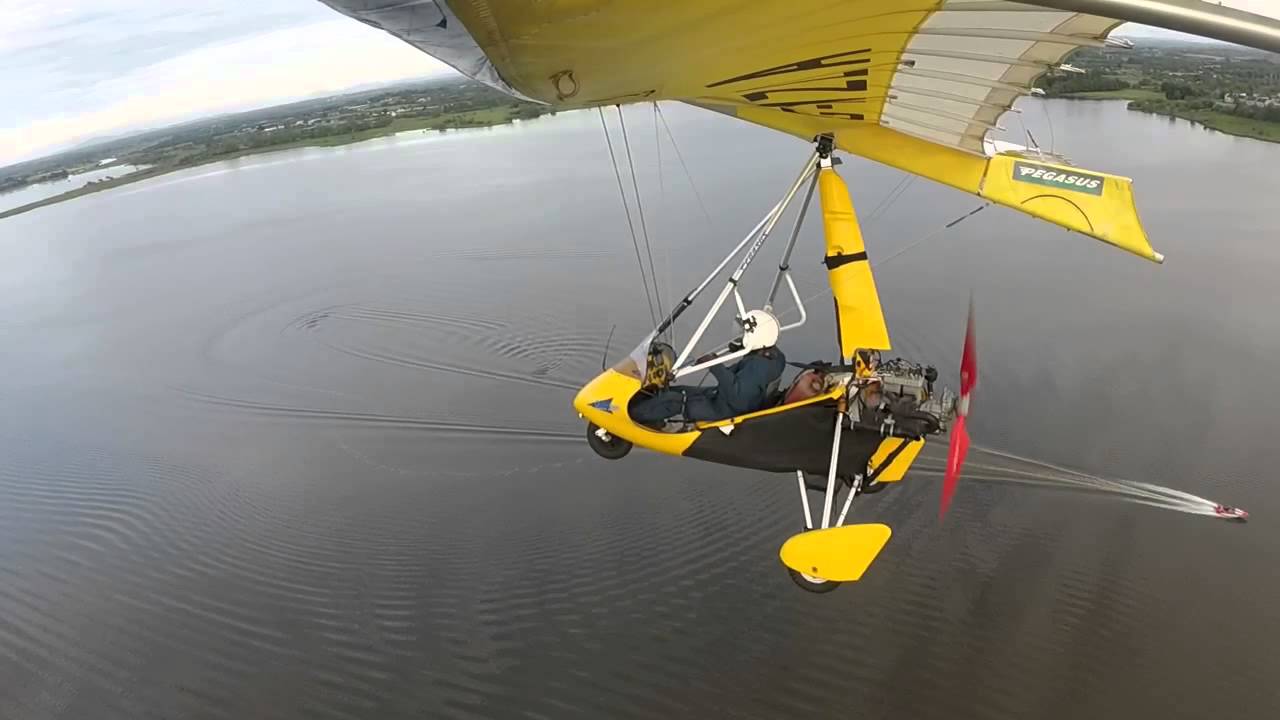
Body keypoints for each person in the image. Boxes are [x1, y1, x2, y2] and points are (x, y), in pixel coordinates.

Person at [630, 344, 786, 426]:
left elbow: (738, 398)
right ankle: (652, 415)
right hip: (723, 398)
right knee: (680, 390)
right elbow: (737, 376)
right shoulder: (774, 358)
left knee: (675, 401)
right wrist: (716, 361)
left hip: (727, 410)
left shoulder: (759, 367)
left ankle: (629, 416)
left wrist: (715, 366)